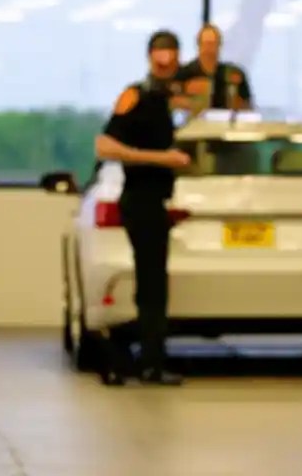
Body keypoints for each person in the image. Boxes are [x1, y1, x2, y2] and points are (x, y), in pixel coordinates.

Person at [94, 29, 192, 386]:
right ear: (150, 56)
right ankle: (148, 363)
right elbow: (104, 145)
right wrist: (158, 158)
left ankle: (151, 358)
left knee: (156, 283)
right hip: (142, 198)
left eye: (171, 53)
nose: (165, 60)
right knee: (150, 283)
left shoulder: (181, 100)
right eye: (159, 53)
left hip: (166, 200)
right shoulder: (134, 95)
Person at [177, 24, 253, 115]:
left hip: (224, 125)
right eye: (206, 44)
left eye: (213, 44)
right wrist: (189, 99)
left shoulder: (233, 74)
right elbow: (173, 106)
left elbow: (248, 108)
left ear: (220, 46)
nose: (209, 49)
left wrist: (237, 101)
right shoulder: (183, 74)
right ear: (198, 45)